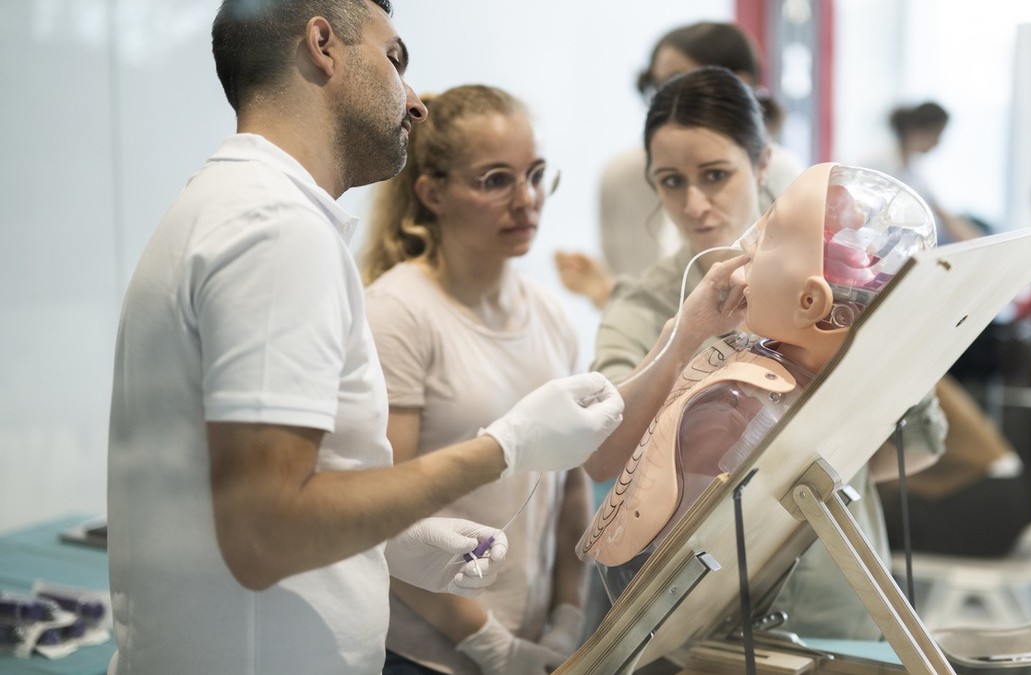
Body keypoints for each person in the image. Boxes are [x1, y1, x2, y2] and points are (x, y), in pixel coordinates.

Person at [105, 2, 623, 674]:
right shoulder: (275, 229)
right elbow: (263, 529)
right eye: (395, 60)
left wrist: (392, 536)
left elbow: (256, 487)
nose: (415, 102)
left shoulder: (240, 206)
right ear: (322, 44)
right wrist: (507, 446)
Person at [581, 67, 947, 641]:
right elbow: (601, 460)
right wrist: (683, 343)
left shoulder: (845, 288)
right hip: (698, 620)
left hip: (835, 599)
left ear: (759, 163)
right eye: (671, 182)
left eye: (715, 175)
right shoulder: (650, 301)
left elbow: (919, 445)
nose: (696, 203)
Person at [359, 84, 590, 675]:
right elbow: (382, 521)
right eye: (495, 181)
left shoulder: (553, 316)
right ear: (432, 192)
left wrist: (566, 617)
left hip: (536, 645)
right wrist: (490, 646)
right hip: (422, 655)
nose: (527, 200)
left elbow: (569, 496)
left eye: (535, 174)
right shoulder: (399, 313)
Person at [554, 21, 804, 308]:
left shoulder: (787, 177)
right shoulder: (620, 176)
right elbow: (641, 312)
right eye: (671, 181)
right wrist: (605, 293)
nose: (669, 101)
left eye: (715, 175)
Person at [862, 101, 982, 244]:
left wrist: (980, 243)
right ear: (916, 131)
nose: (938, 142)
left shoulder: (915, 173)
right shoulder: (876, 163)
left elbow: (943, 215)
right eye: (936, 134)